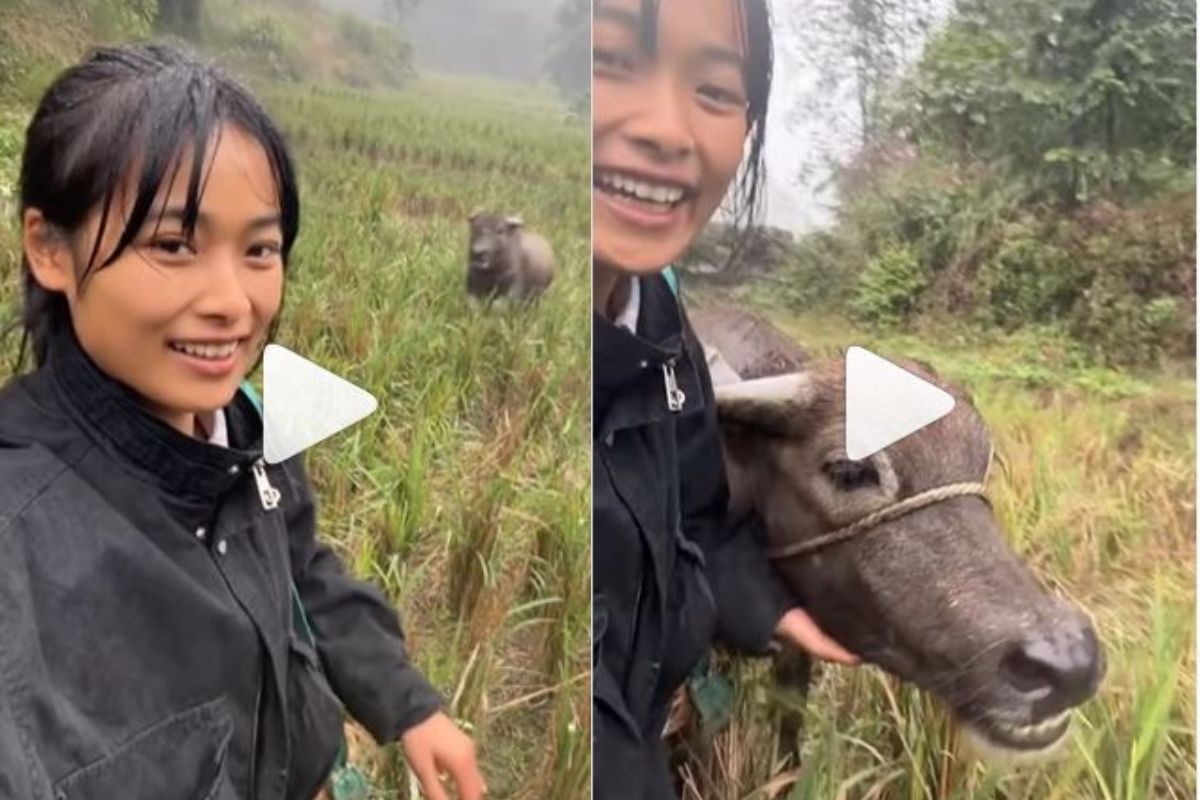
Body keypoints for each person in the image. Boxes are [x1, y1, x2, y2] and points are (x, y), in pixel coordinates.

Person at [0, 43, 483, 800]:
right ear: (49, 249)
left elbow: (302, 571)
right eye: (171, 244)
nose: (233, 301)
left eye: (259, 248)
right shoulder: (17, 545)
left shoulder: (246, 424)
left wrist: (408, 704)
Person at [591, 0, 859, 796]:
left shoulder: (661, 314)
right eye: (607, 61)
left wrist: (762, 605)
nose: (667, 129)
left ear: (746, 126)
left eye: (713, 91)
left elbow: (699, 515)